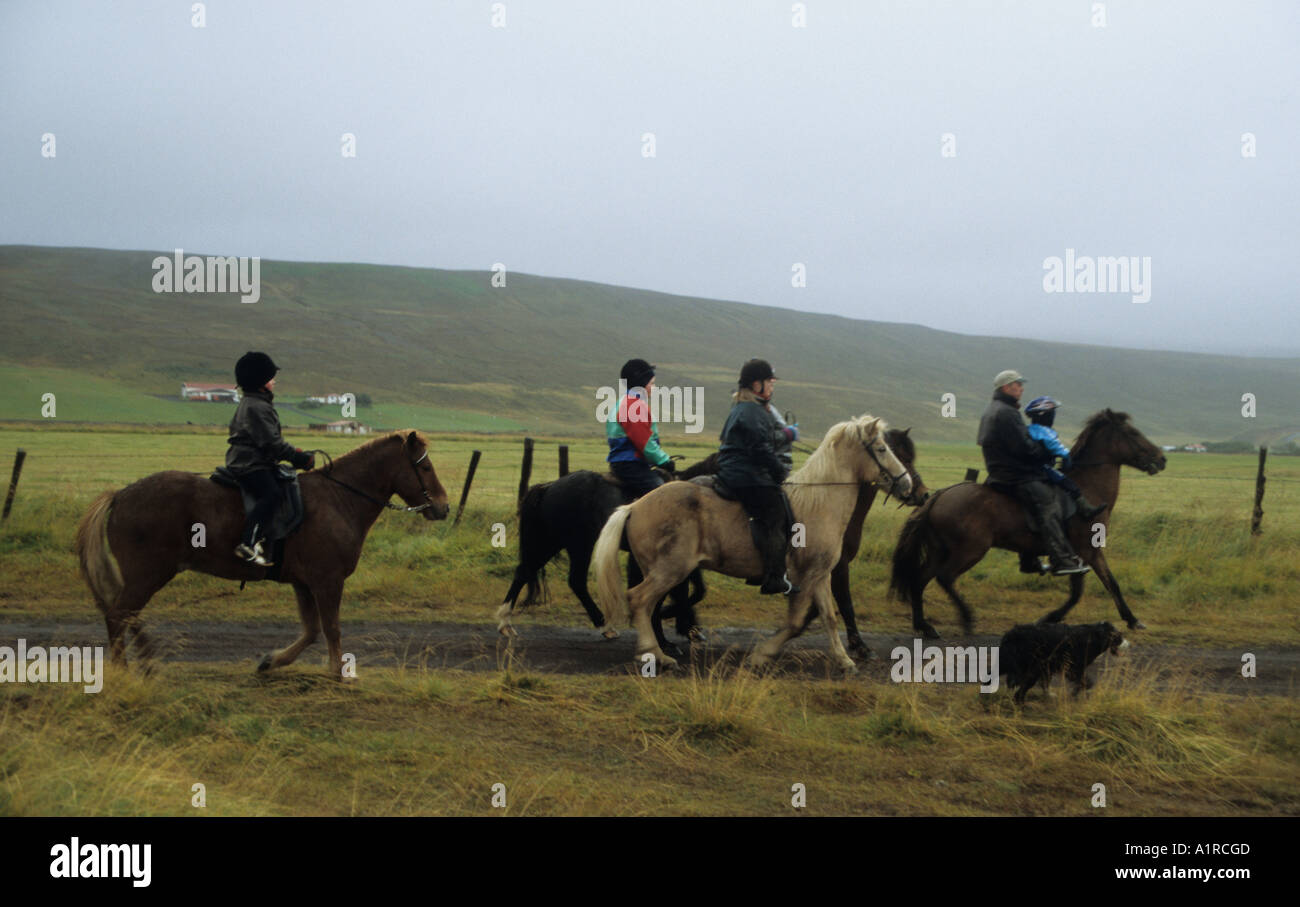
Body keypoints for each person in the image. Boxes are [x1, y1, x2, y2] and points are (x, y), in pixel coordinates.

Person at [977, 370, 1090, 576]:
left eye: (1021, 385)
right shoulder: (1007, 412)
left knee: (1029, 512)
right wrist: (1047, 453)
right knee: (1049, 506)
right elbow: (1025, 448)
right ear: (1005, 387)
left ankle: (1029, 561)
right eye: (1017, 385)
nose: (1021, 388)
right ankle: (1062, 560)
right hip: (1016, 474)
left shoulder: (992, 410)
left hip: (998, 471)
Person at [716, 359, 801, 595]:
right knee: (775, 514)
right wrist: (779, 471)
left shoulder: (742, 407)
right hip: (746, 475)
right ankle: (774, 577)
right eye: (770, 383)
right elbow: (760, 449)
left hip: (736, 471)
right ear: (757, 385)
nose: (772, 387)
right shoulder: (752, 411)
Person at [226, 352, 315, 566]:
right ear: (260, 383)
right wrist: (298, 458)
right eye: (270, 378)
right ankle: (249, 542)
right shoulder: (257, 407)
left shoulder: (253, 403)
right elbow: (272, 443)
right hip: (250, 464)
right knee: (272, 495)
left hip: (250, 460)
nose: (274, 381)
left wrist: (293, 453)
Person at [1024, 396, 1108, 521]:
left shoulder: (1028, 429)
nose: (1053, 416)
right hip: (1041, 467)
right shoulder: (1045, 431)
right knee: (1066, 481)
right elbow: (1059, 450)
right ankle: (1085, 508)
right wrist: (1068, 461)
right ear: (1045, 415)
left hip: (1028, 466)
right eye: (1052, 413)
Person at [606, 358, 675, 499]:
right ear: (641, 384)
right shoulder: (634, 406)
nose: (654, 388)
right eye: (652, 383)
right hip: (631, 465)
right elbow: (644, 443)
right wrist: (664, 461)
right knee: (663, 495)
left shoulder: (624, 402)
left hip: (626, 462)